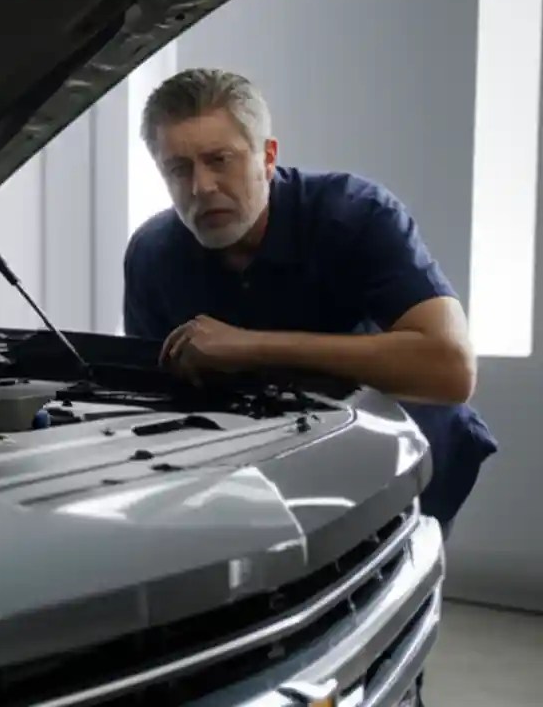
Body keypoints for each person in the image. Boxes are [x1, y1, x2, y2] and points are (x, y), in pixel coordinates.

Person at [122, 67, 498, 705]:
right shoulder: (153, 253)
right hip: (259, 473)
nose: (201, 187)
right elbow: (152, 397)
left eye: (220, 160)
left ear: (268, 156)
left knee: (378, 644)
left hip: (400, 457)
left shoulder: (355, 214)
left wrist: (253, 345)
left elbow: (450, 368)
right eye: (177, 169)